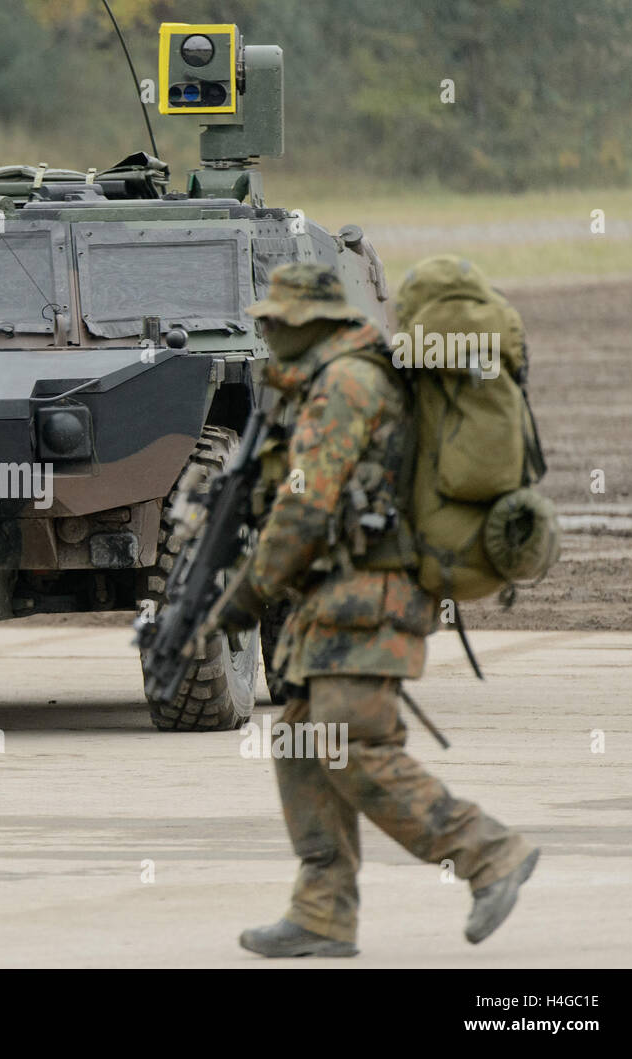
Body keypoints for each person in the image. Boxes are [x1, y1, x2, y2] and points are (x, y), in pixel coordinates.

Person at [217, 262, 539, 957]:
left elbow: (306, 503)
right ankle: (322, 911)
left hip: (374, 591)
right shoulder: (338, 377)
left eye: (277, 319)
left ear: (314, 323)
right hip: (336, 594)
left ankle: (489, 853)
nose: (267, 330)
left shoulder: (345, 383)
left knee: (353, 743)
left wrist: (250, 589)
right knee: (303, 741)